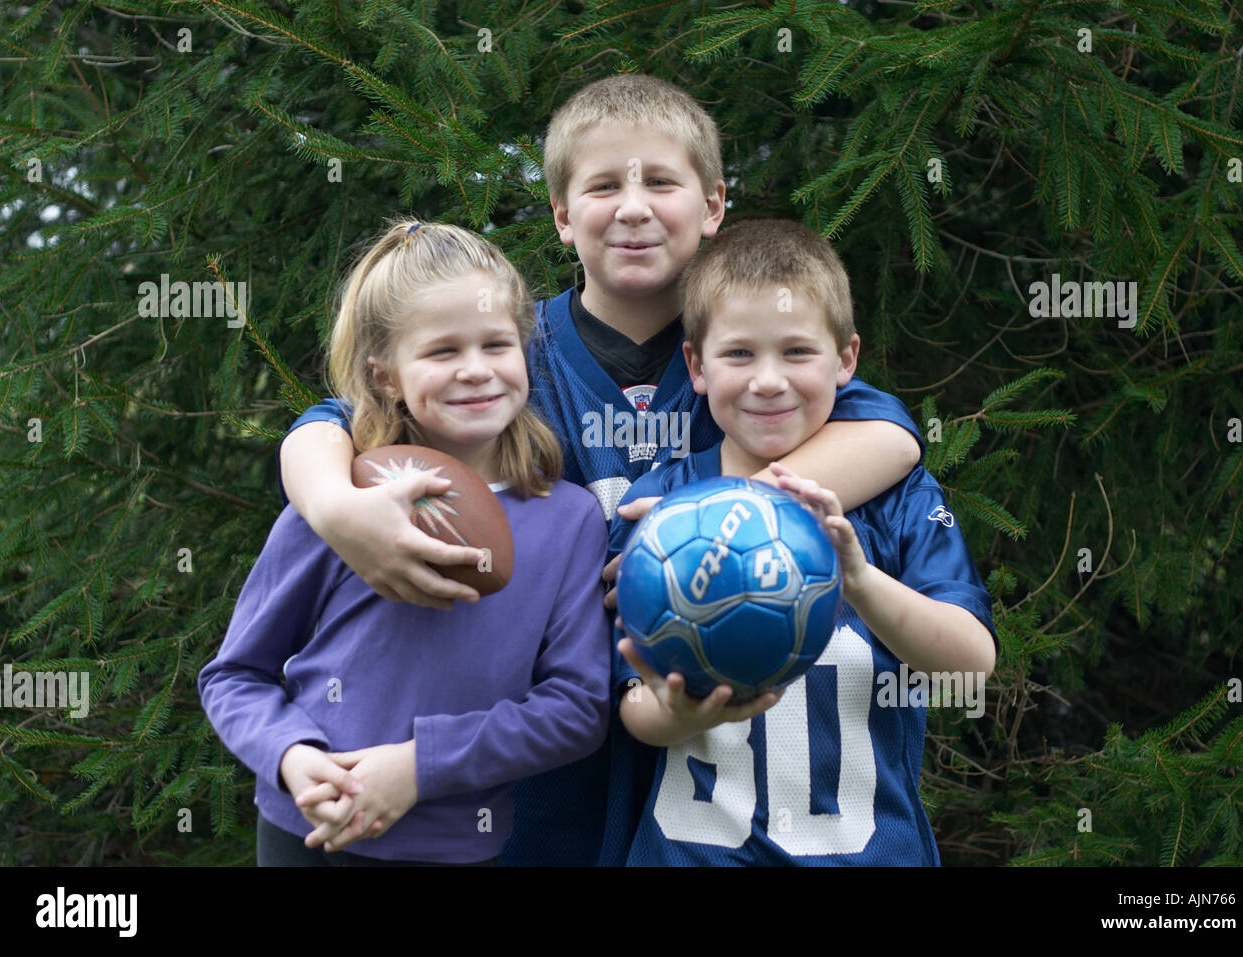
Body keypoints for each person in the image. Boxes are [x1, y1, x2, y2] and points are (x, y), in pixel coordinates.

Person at [275, 75, 925, 866]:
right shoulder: (512, 356)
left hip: (702, 779)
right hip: (537, 772)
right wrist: (335, 510)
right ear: (561, 216)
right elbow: (334, 422)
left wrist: (703, 528)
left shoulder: (745, 357)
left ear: (714, 206)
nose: (633, 206)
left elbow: (889, 434)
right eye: (604, 185)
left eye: (660, 180)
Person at [198, 221, 610, 865]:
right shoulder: (341, 502)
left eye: (496, 344)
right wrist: (293, 757)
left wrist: (422, 767)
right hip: (308, 834)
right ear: (384, 375)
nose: (475, 370)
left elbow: (576, 709)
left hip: (456, 845)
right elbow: (235, 676)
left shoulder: (569, 519)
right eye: (442, 352)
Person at [608, 219, 998, 865]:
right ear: (696, 365)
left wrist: (861, 581)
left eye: (796, 352)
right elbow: (634, 710)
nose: (767, 380)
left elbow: (970, 668)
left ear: (845, 358)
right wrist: (688, 714)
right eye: (739, 354)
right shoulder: (661, 510)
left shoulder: (896, 495)